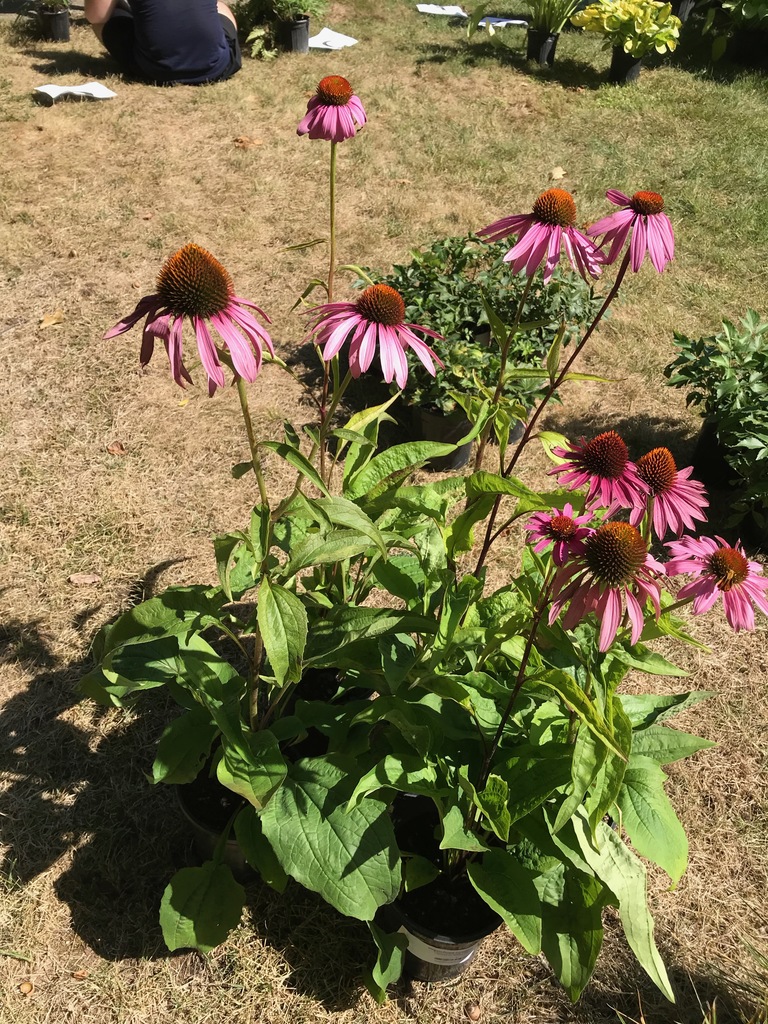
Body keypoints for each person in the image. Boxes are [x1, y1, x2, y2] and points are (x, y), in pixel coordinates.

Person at [84, 0, 242, 85]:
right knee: (220, 6)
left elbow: (96, 16)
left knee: (105, 16)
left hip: (157, 68)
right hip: (217, 66)